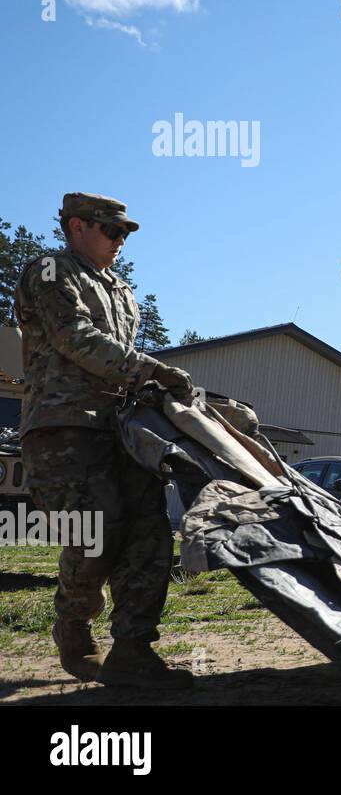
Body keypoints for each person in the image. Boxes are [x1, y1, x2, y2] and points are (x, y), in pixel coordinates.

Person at [17, 192, 198, 688]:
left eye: (125, 233)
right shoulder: (51, 271)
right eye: (111, 230)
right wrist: (152, 370)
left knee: (149, 534)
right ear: (77, 226)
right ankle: (73, 623)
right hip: (63, 427)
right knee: (95, 531)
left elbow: (121, 355)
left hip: (120, 429)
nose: (121, 240)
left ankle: (133, 651)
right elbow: (72, 336)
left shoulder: (121, 290)